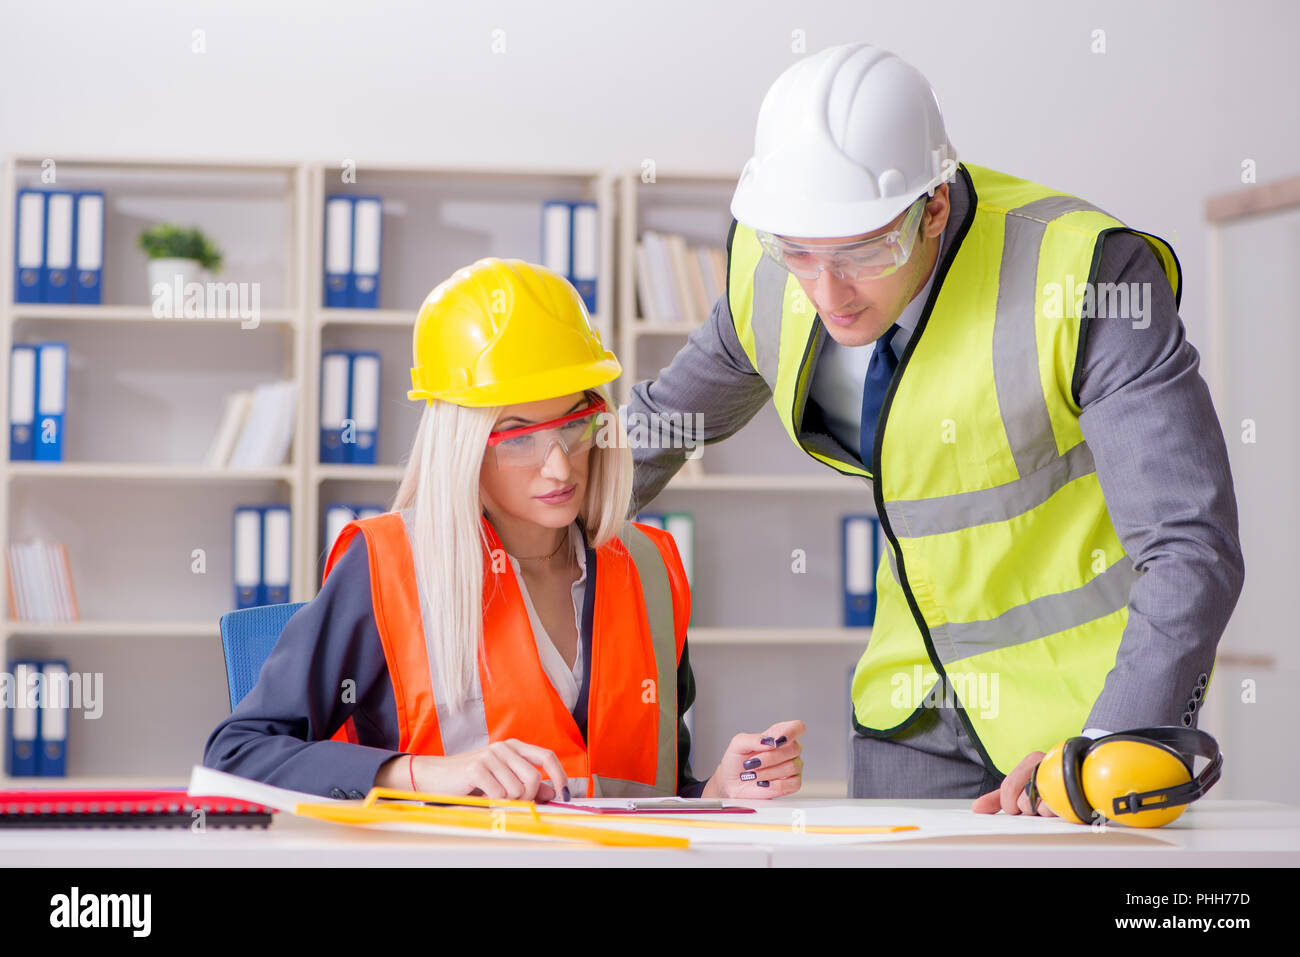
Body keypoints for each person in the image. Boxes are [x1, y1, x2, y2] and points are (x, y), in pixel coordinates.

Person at [626, 43, 1243, 814]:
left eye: (863, 252)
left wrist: (1106, 749)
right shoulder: (769, 272)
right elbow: (651, 432)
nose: (829, 294)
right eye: (800, 255)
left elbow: (1190, 546)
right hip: (908, 711)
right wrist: (472, 505)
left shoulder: (1085, 278)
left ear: (936, 208)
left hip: (1077, 721)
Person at [204, 258, 805, 801]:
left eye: (574, 425)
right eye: (518, 436)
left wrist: (717, 791)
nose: (558, 465)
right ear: (460, 446)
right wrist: (419, 773)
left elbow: (649, 790)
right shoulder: (388, 564)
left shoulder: (649, 569)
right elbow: (236, 756)